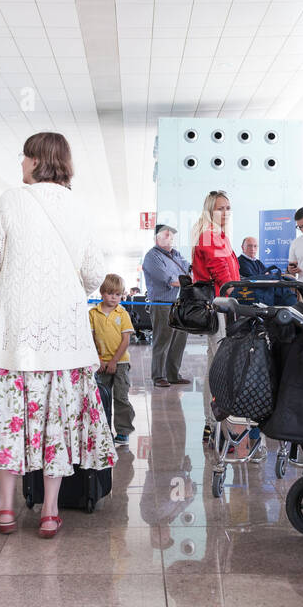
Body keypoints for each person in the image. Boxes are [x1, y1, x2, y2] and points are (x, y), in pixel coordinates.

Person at [0, 131, 113, 539]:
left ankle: (5, 508)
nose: (20, 163)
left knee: (11, 415)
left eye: (24, 157)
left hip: (16, 332)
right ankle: (51, 512)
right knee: (58, 420)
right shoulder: (81, 207)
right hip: (64, 334)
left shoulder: (10, 199)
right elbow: (94, 274)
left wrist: (21, 278)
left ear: (37, 161)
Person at [191, 190, 240, 442]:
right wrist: (239, 295)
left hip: (221, 305)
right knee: (220, 367)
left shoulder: (218, 236)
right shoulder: (210, 236)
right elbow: (223, 274)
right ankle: (218, 425)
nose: (225, 213)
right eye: (220, 208)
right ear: (210, 210)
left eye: (228, 208)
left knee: (214, 366)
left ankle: (212, 423)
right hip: (220, 307)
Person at [141, 223, 192, 388]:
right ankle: (158, 376)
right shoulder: (152, 256)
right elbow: (167, 279)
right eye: (166, 235)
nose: (170, 238)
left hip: (179, 303)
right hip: (162, 303)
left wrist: (183, 279)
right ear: (156, 238)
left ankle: (173, 374)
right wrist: (182, 279)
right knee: (163, 340)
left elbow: (188, 273)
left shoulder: (176, 255)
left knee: (179, 340)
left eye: (171, 235)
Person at [90, 273, 134, 446]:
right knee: (101, 397)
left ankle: (123, 431)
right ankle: (103, 429)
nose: (113, 298)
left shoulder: (122, 314)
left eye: (117, 294)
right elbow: (91, 339)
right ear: (102, 292)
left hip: (120, 363)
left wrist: (114, 361)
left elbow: (126, 340)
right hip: (101, 364)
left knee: (121, 397)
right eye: (110, 293)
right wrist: (99, 359)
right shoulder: (93, 313)